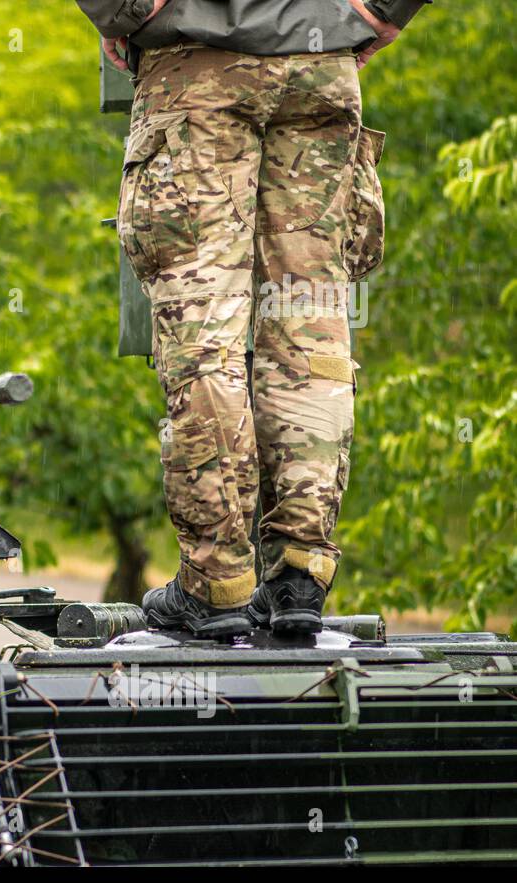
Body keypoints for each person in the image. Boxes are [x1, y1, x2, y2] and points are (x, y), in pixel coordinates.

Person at [75, 0, 430, 638]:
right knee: (309, 327)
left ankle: (218, 582)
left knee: (204, 334)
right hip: (321, 62)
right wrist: (384, 9)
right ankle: (300, 574)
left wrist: (125, 9)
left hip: (198, 63)